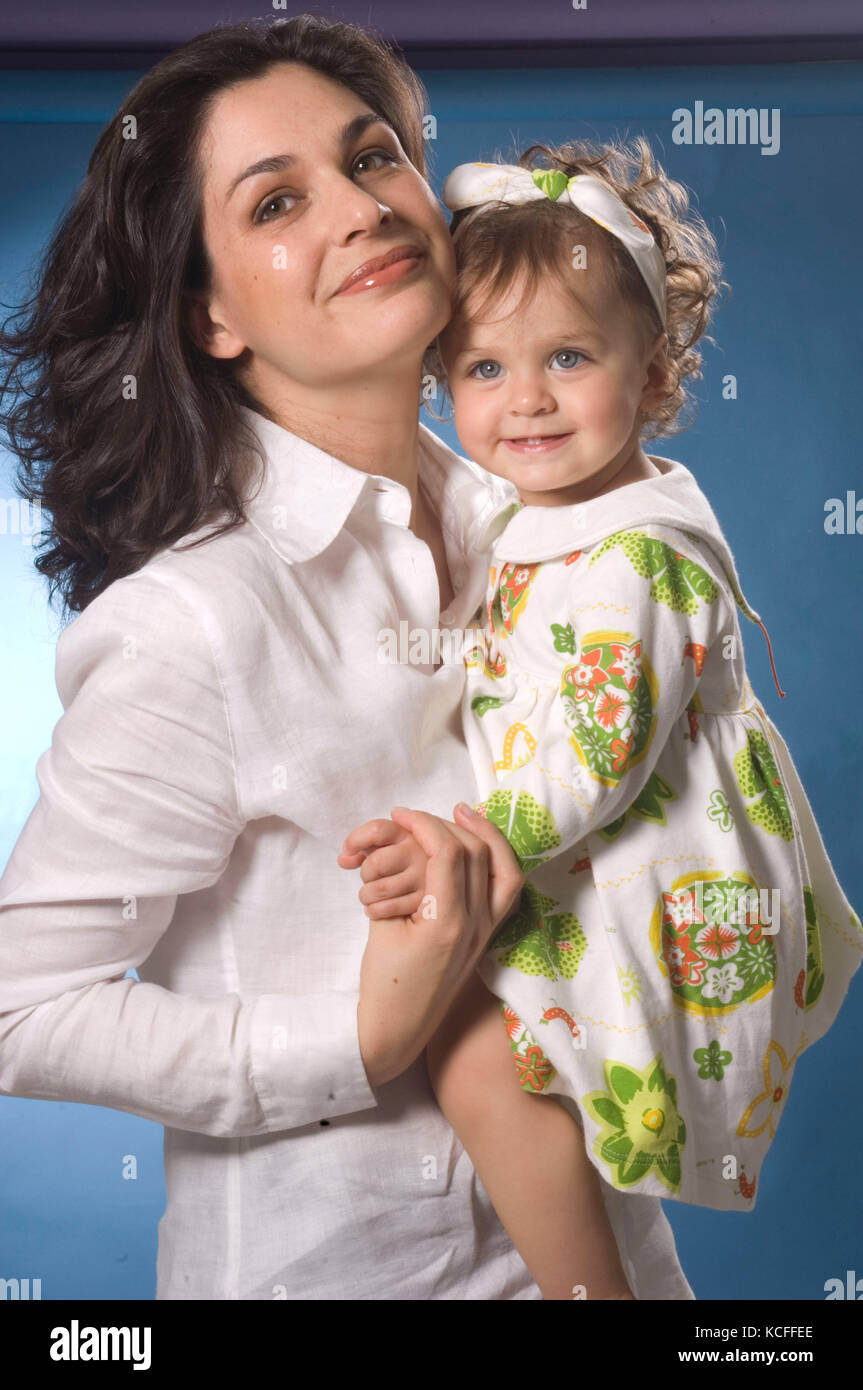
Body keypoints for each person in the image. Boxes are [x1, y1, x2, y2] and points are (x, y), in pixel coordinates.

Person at [0, 19, 698, 1299]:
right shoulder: (198, 617)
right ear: (209, 314)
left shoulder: (543, 517)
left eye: (374, 159)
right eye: (277, 200)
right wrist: (362, 1039)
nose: (361, 211)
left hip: (610, 1259)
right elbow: (20, 1006)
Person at [338, 140, 863, 1300]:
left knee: (473, 1052)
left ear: (655, 373)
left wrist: (467, 841)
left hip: (661, 871)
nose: (522, 399)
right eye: (480, 369)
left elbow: (593, 752)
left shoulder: (634, 554)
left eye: (566, 357)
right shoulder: (526, 519)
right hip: (609, 856)